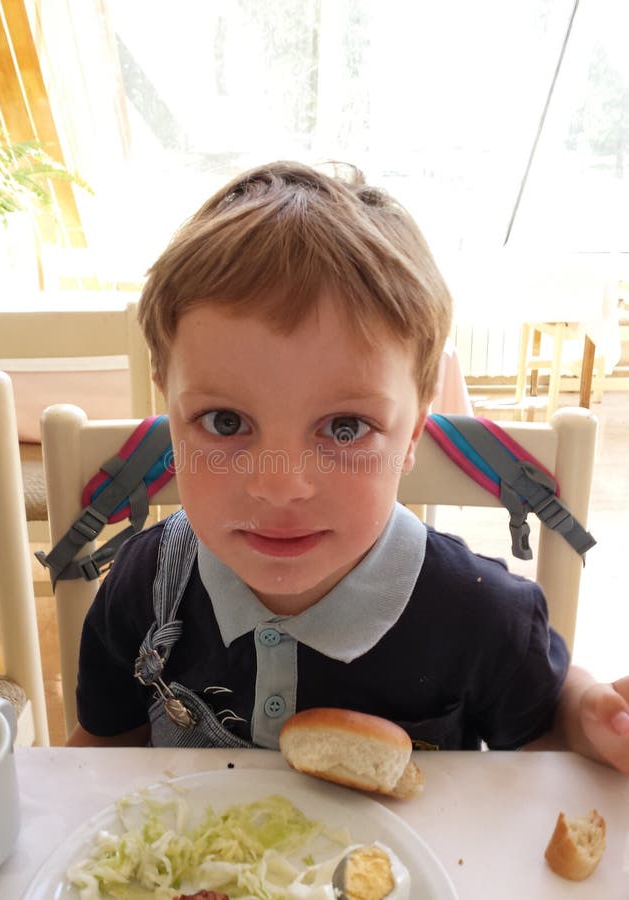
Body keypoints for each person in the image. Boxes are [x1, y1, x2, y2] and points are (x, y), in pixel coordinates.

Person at [67, 160, 629, 773]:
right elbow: (95, 759)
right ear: (169, 413)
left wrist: (586, 715)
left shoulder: (483, 616)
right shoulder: (143, 587)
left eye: (345, 427)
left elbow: (546, 723)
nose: (280, 487)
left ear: (411, 433)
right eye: (225, 422)